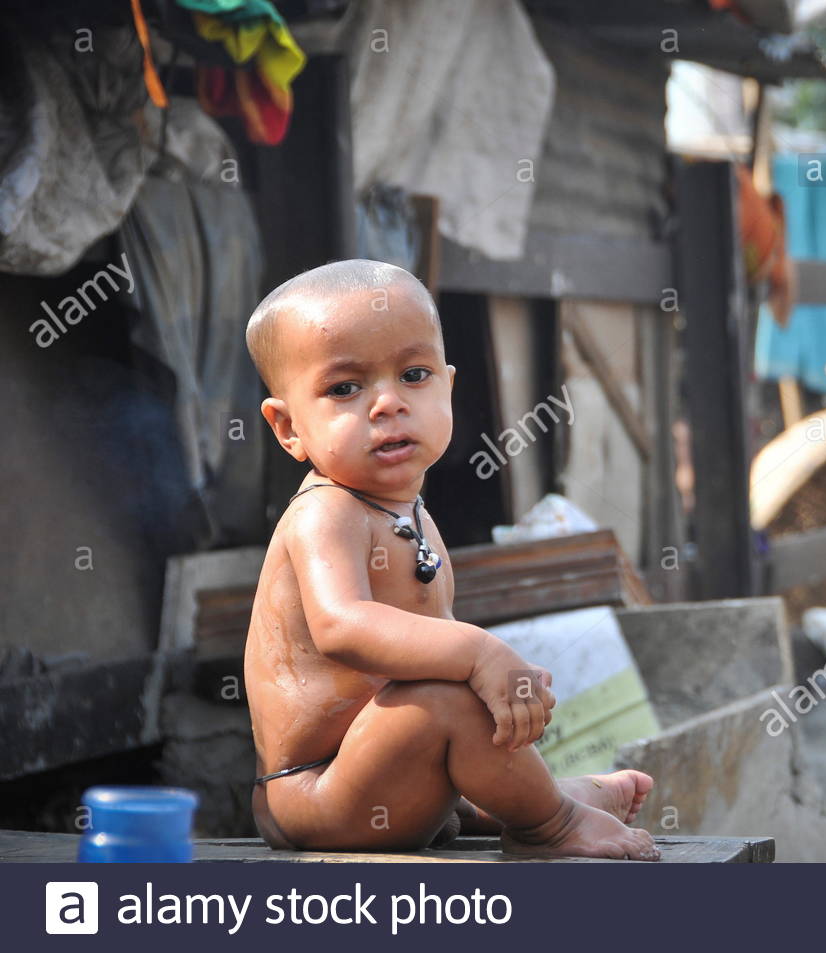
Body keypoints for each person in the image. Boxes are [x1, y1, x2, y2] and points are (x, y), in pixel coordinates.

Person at [242, 259, 658, 860]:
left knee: (464, 689)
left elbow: (423, 653)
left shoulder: (411, 517)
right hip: (319, 797)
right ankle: (551, 823)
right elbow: (341, 625)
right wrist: (480, 653)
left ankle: (514, 798)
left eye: (413, 374)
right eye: (345, 388)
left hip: (391, 779)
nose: (387, 403)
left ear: (448, 386)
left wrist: (495, 674)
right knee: (451, 693)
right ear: (288, 429)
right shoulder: (325, 515)